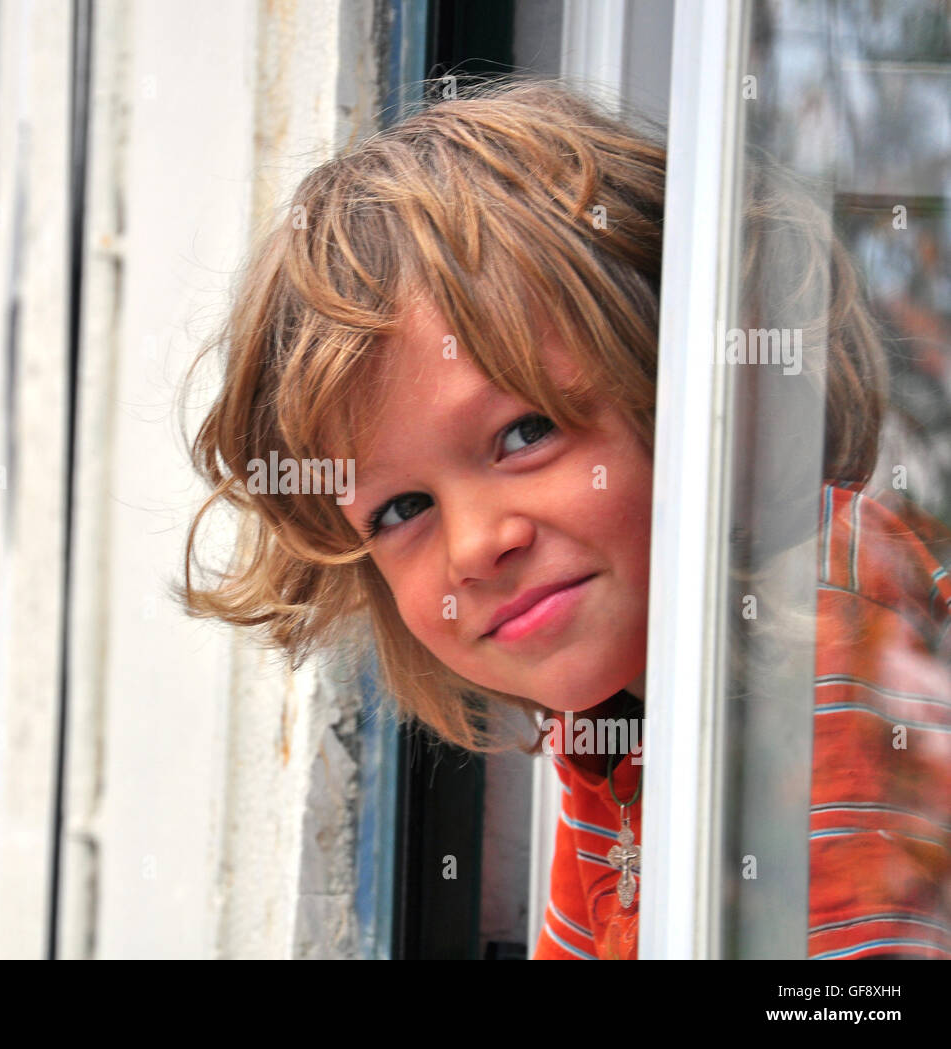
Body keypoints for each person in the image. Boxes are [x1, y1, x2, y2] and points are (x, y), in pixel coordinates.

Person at [178, 77, 951, 958]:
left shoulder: (828, 629)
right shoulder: (617, 718)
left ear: (698, 392)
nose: (476, 545)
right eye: (400, 509)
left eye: (525, 432)